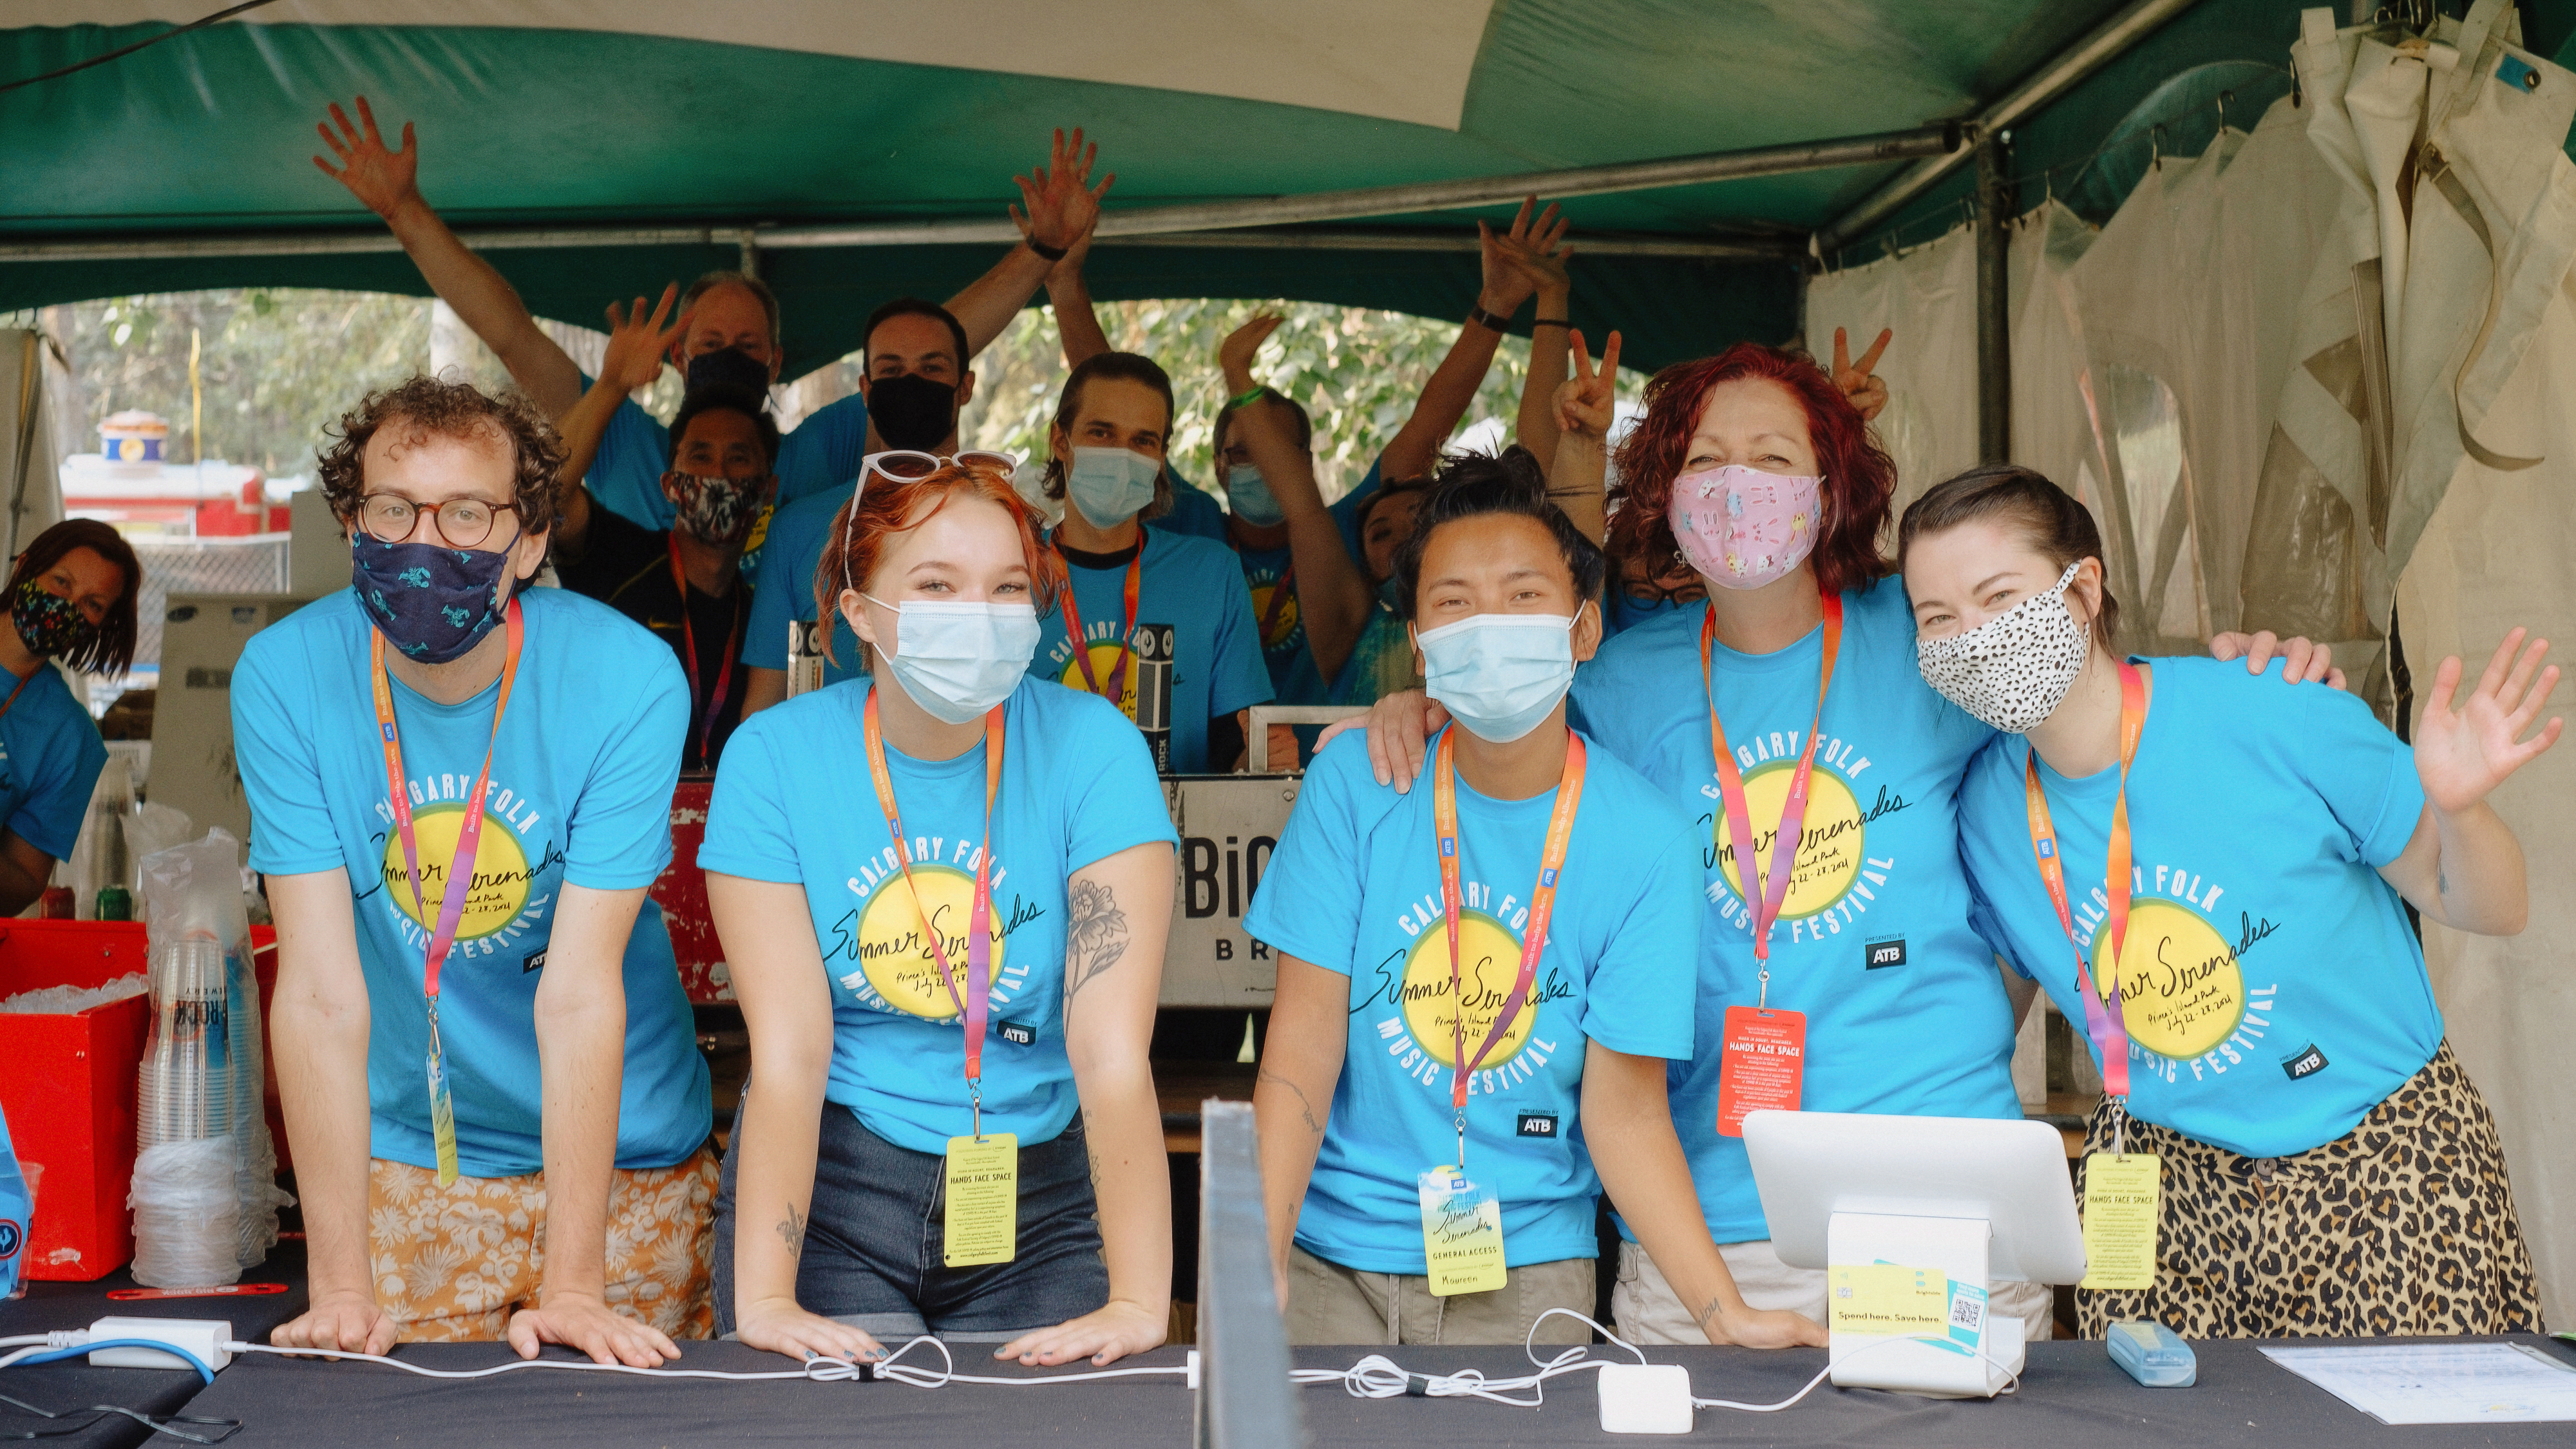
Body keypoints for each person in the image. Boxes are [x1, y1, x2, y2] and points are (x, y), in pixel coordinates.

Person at [1345, 341, 2342, 1346]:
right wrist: (1417, 706)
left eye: (1774, 459)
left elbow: (2098, 713)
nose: (1738, 486)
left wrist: (2265, 682)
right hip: (1712, 1223)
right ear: (1665, 495)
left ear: (1829, 492)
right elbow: (1501, 726)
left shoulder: (1922, 632)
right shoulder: (1614, 679)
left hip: (1945, 1196)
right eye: (1705, 460)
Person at [1906, 464, 2556, 1338]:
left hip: (2380, 1163)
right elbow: (1979, 1026)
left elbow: (2493, 908)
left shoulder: (2271, 708)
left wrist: (2460, 806)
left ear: (2084, 590)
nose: (1974, 637)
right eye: (1937, 619)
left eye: (1998, 598)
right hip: (2159, 1186)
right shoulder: (1985, 810)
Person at [1247, 451, 1822, 1349]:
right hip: (1332, 1263)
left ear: (1583, 629)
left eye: (1523, 596)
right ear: (1418, 641)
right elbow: (1302, 1044)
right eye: (1454, 603)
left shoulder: (1647, 839)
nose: (1490, 626)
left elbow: (1624, 1113)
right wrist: (1259, 1251)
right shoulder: (1358, 783)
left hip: (1530, 1273)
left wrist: (1726, 1314)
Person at [236, 377, 713, 1365]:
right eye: (393, 510)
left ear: (530, 541)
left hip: (626, 1159)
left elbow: (579, 992)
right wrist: (339, 1287)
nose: (425, 541)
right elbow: (319, 994)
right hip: (417, 1156)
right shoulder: (284, 676)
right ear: (350, 522)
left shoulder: (627, 679)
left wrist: (575, 1287)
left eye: (466, 513)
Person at [703, 459, 1174, 1365]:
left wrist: (1137, 1300)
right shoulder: (773, 759)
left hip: (1039, 1203)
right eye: (936, 585)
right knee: (853, 1423)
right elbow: (791, 1052)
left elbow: (1111, 1052)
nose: (978, 614)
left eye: (1007, 588)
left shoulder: (1096, 750)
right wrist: (764, 1296)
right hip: (835, 1193)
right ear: (859, 611)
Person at [312, 99, 1109, 529]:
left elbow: (931, 344)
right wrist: (406, 213)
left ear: (777, 362)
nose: (729, 356)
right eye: (711, 342)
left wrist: (1040, 252)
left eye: (748, 345)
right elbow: (509, 334)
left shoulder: (815, 452)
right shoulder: (625, 442)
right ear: (677, 358)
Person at [737, 296, 1025, 714]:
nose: (911, 384)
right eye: (891, 370)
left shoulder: (1008, 526)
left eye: (932, 368)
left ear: (965, 386)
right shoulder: (797, 530)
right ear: (866, 389)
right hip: (827, 756)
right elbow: (763, 706)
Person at [551, 287, 779, 770]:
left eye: (739, 458)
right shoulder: (618, 557)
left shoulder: (762, 619)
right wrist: (611, 385)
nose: (718, 473)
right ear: (670, 484)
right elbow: (546, 497)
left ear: (767, 489)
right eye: (700, 456)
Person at [1033, 352, 1274, 773]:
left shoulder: (1211, 573)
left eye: (1143, 441)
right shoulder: (1010, 570)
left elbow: (1239, 741)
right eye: (1101, 433)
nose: (1122, 455)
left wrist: (1262, 756)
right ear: (1060, 440)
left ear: (1162, 456)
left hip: (1175, 813)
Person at [0, 520, 139, 915]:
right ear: (24, 568)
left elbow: (26, 878)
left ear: (100, 626)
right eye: (61, 582)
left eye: (92, 604)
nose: (67, 605)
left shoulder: (70, 737)